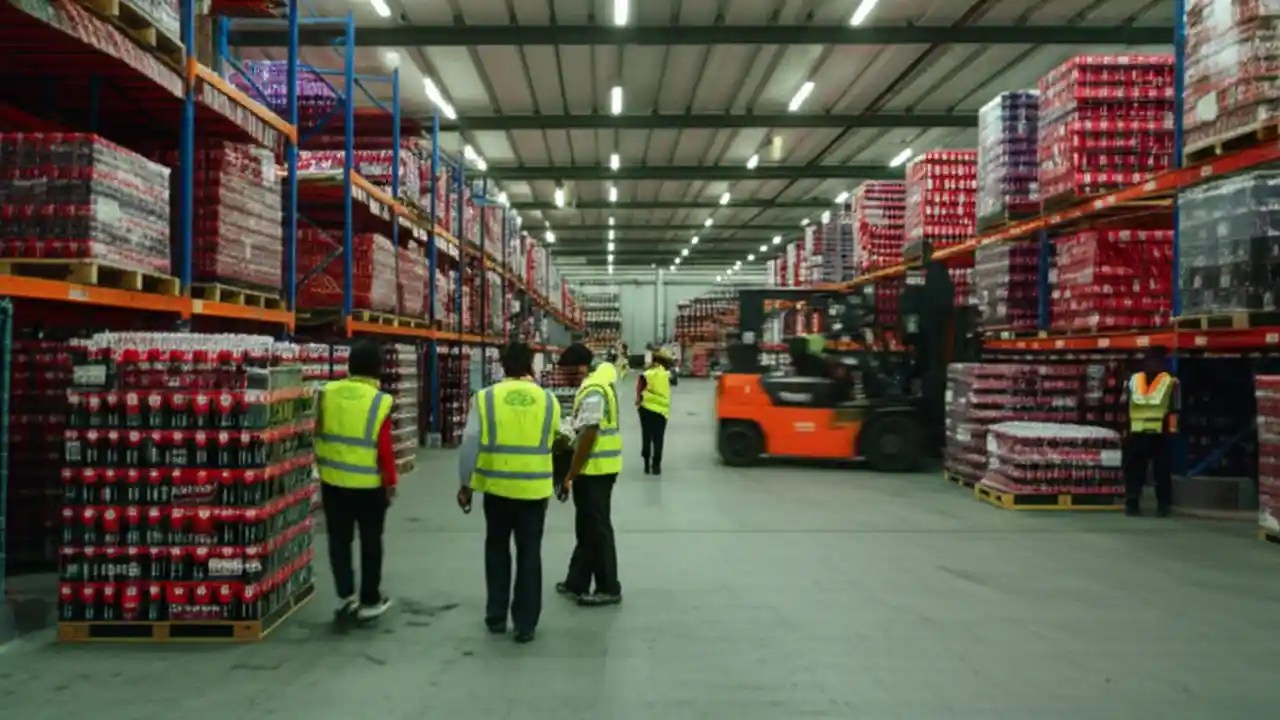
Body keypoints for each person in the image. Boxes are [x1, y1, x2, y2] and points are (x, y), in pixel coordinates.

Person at [455, 343, 560, 644]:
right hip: (534, 491)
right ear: (532, 365)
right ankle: (525, 624)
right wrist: (563, 481)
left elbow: (469, 442)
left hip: (497, 489)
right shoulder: (549, 401)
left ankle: (496, 615)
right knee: (530, 553)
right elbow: (561, 441)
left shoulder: (486, 398)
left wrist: (466, 484)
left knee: (497, 550)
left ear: (501, 365)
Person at [314, 339, 396, 624]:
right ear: (378, 368)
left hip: (333, 481)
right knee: (371, 541)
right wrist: (391, 481)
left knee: (339, 540)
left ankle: (345, 596)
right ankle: (370, 599)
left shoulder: (327, 393)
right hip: (369, 486)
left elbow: (315, 430)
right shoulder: (380, 401)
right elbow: (384, 448)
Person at [555, 343, 624, 607]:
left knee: (597, 528)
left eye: (570, 371)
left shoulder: (594, 390)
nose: (568, 377)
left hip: (595, 469)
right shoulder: (596, 383)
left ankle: (609, 587)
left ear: (582, 366)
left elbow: (589, 433)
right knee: (586, 526)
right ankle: (577, 581)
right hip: (595, 468)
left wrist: (571, 472)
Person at [1124, 346, 1179, 517]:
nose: (1151, 364)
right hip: (1137, 432)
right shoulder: (1134, 380)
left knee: (1161, 472)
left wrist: (1171, 431)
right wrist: (1126, 430)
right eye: (1148, 360)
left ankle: (1163, 505)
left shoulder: (1170, 382)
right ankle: (1132, 502)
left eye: (1154, 360)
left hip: (1159, 433)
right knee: (1134, 471)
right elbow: (1126, 405)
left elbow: (1175, 409)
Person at [636, 349, 674, 475]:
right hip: (661, 411)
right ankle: (656, 466)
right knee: (659, 438)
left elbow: (639, 389)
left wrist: (638, 401)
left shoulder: (646, 374)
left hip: (646, 408)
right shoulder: (667, 375)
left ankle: (646, 465)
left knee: (646, 436)